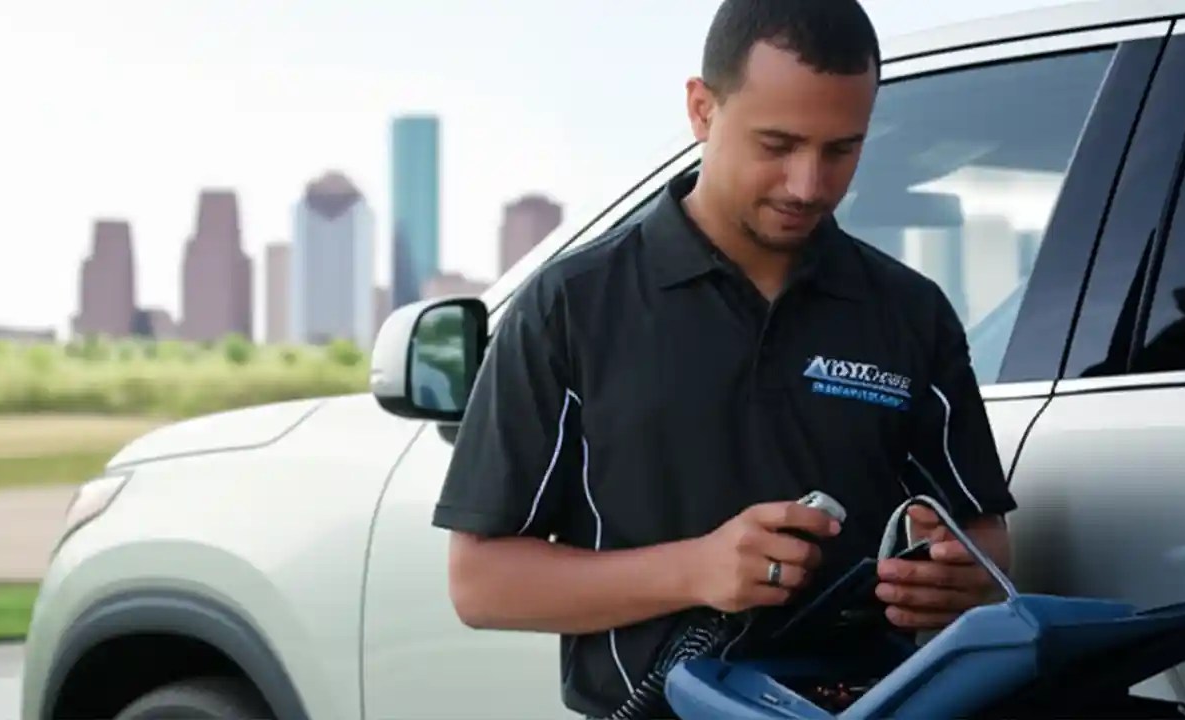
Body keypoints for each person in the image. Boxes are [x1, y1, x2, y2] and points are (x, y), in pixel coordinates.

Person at [431, 0, 1018, 717]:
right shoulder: (571, 306)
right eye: (777, 144)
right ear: (702, 109)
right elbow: (481, 583)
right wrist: (697, 570)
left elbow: (984, 536)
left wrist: (962, 582)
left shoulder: (910, 312)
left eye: (842, 149)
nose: (808, 185)